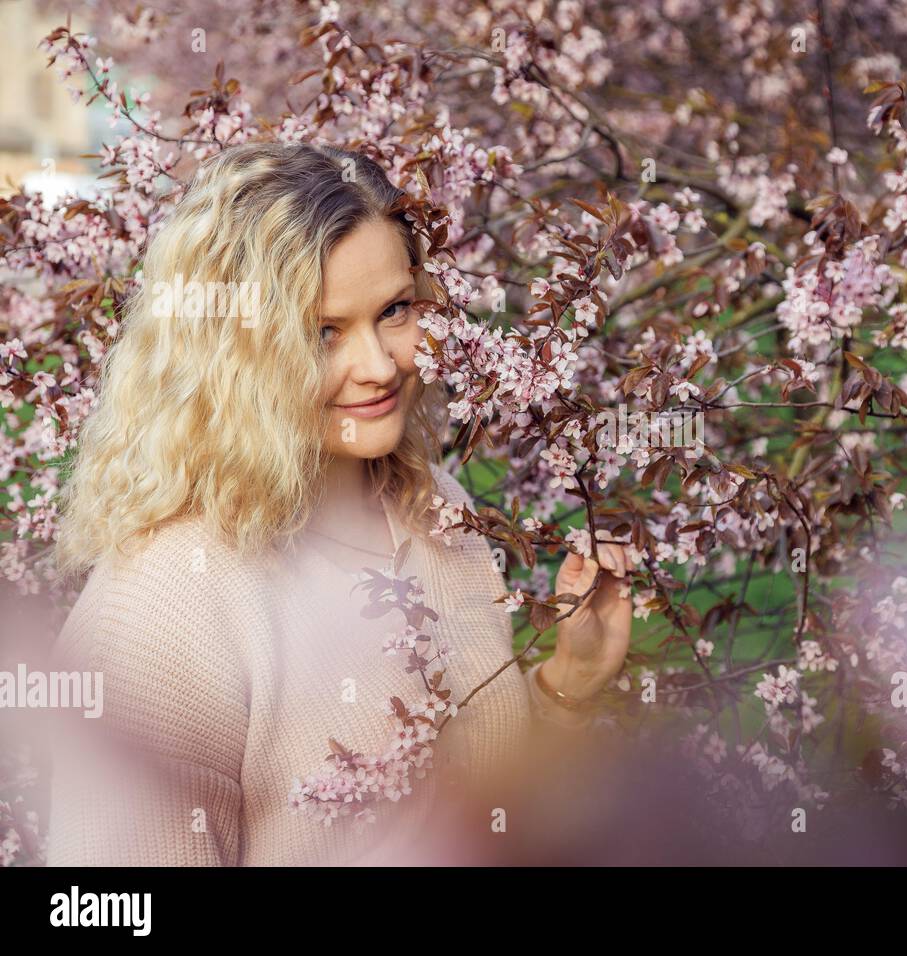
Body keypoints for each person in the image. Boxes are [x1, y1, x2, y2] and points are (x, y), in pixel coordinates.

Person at [44, 142, 632, 865]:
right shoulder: (163, 610)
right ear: (235, 351)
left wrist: (566, 685)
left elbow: (466, 813)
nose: (381, 366)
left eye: (395, 311)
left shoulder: (435, 513)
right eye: (324, 332)